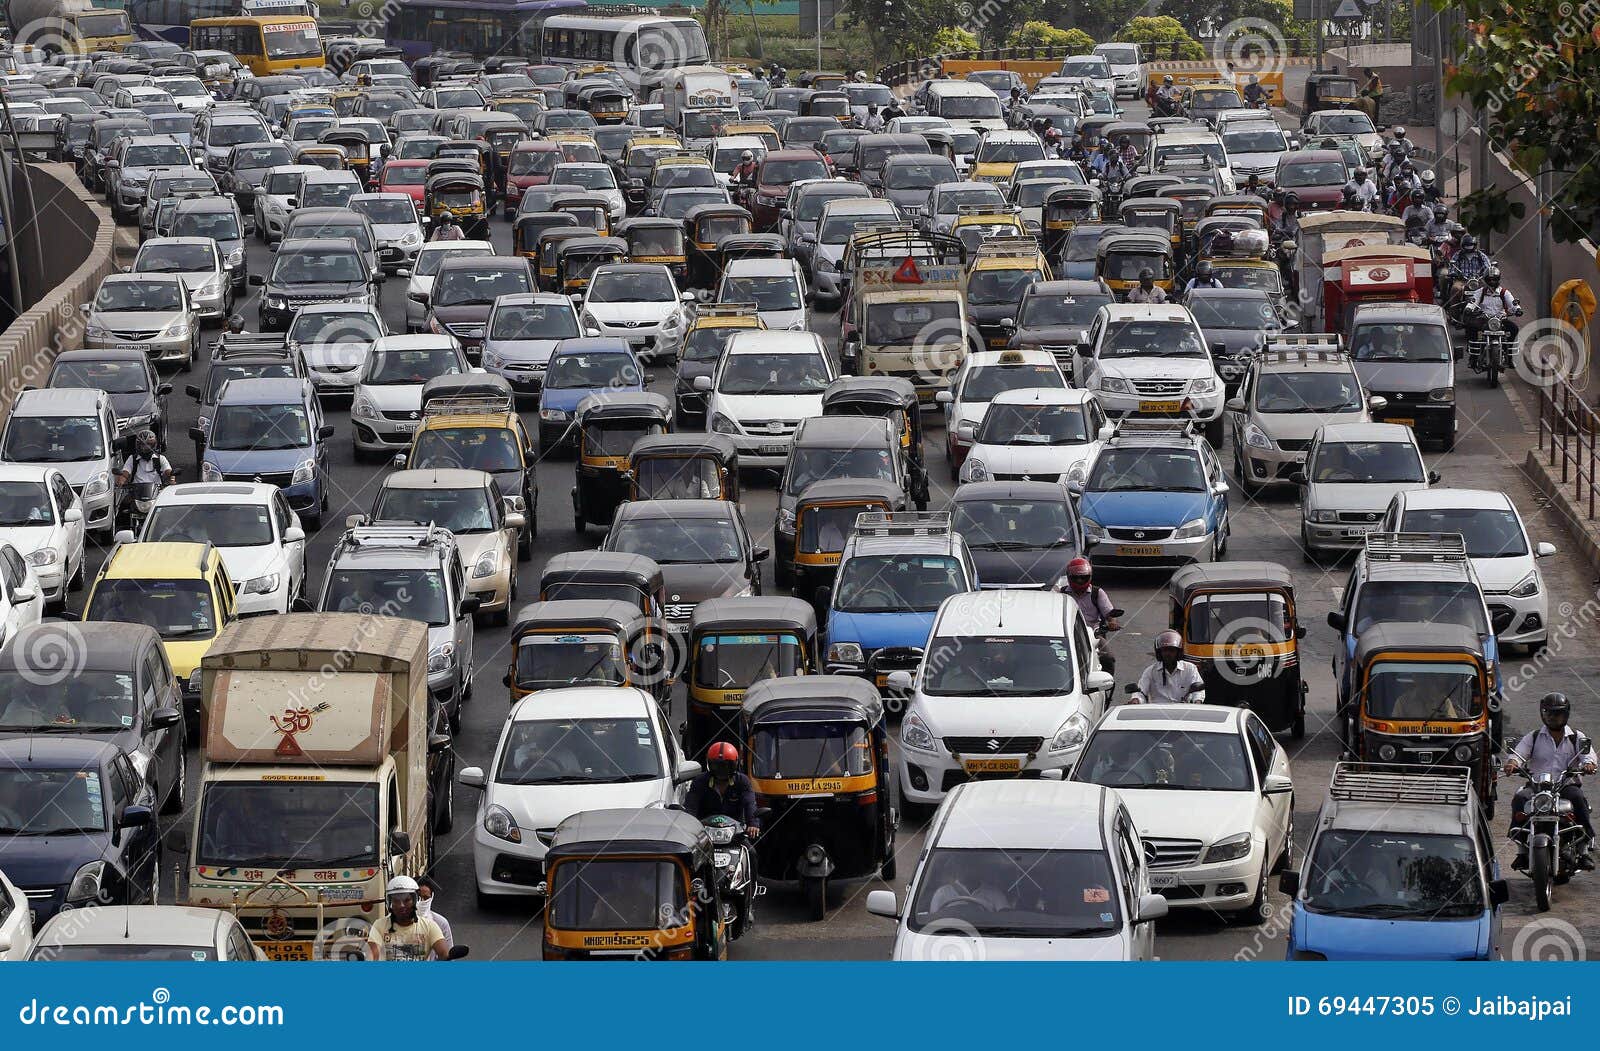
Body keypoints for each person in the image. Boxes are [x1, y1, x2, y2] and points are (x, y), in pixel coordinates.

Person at [1506, 692, 1598, 870]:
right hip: (1536, 787)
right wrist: (1512, 762)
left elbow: (1588, 755)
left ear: (1566, 714)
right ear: (1542, 713)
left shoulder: (1576, 737)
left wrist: (1589, 764)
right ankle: (1522, 851)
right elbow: (1518, 753)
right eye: (1549, 713)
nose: (1553, 717)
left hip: (1566, 786)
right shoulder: (1533, 737)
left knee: (1579, 799)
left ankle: (1583, 849)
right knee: (1519, 798)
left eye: (1557, 713)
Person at [684, 741, 759, 840]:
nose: (721, 770)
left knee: (752, 853)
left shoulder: (742, 781)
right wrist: (688, 824)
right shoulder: (700, 781)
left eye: (726, 765)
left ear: (735, 764)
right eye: (716, 765)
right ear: (709, 764)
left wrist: (753, 823)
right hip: (704, 834)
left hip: (735, 833)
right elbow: (691, 806)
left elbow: (750, 803)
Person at [367, 876, 451, 961]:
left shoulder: (430, 926)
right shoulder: (379, 925)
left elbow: (444, 953)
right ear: (390, 902)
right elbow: (372, 955)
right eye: (396, 901)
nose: (401, 905)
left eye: (406, 900)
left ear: (415, 901)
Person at [1060, 556, 1119, 675]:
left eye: (1083, 578)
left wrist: (1112, 622)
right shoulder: (1061, 593)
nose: (1080, 581)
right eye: (1076, 578)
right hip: (1067, 634)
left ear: (1090, 577)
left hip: (1093, 635)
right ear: (1069, 577)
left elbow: (1109, 613)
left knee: (1108, 658)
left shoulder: (1097, 593)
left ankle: (1107, 688)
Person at [1131, 630, 1204, 705]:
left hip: (1183, 711)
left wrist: (1197, 701)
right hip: (1157, 712)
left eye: (1171, 650)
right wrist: (1136, 700)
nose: (1168, 654)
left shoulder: (1190, 669)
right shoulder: (1150, 671)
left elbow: (1198, 691)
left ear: (1178, 652)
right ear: (1159, 653)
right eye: (1165, 650)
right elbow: (1141, 692)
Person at [1465, 265, 1521, 341]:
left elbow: (1512, 303)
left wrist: (1517, 310)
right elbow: (1473, 301)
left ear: (1498, 279)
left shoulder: (1504, 292)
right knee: (1470, 327)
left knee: (1514, 329)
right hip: (1484, 319)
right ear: (1485, 280)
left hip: (1501, 320)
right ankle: (1474, 349)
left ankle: (1508, 349)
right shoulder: (1480, 292)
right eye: (1489, 279)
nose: (1492, 282)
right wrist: (1469, 308)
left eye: (1494, 279)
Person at [416, 877, 454, 958]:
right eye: (418, 897)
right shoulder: (394, 923)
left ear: (432, 897)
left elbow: (448, 955)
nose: (421, 901)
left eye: (425, 898)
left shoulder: (441, 923)